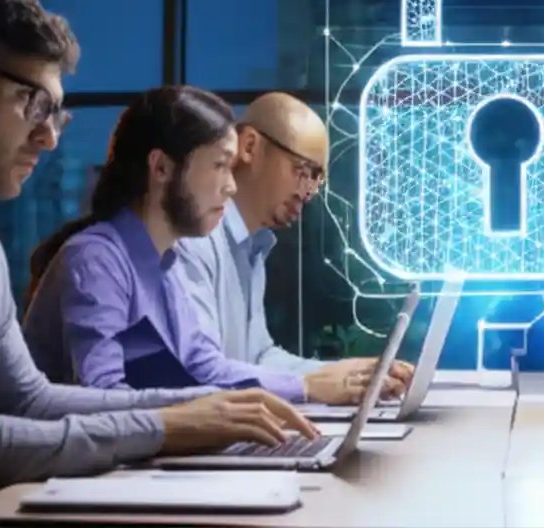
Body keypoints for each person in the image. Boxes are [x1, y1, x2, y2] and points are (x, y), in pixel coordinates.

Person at [0, 0, 316, 525]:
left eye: (56, 113)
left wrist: (198, 410)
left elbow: (29, 399)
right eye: (31, 102)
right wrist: (165, 426)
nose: (49, 136)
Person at [23, 86, 402, 404]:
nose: (231, 185)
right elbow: (104, 394)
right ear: (161, 169)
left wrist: (316, 382)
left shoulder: (163, 265)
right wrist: (294, 390)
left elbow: (203, 366)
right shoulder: (95, 260)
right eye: (221, 165)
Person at [174, 92, 413, 404]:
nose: (309, 192)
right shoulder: (194, 241)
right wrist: (309, 386)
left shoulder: (251, 248)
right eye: (303, 171)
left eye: (318, 180)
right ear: (249, 147)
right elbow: (200, 372)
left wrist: (344, 374)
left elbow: (259, 357)